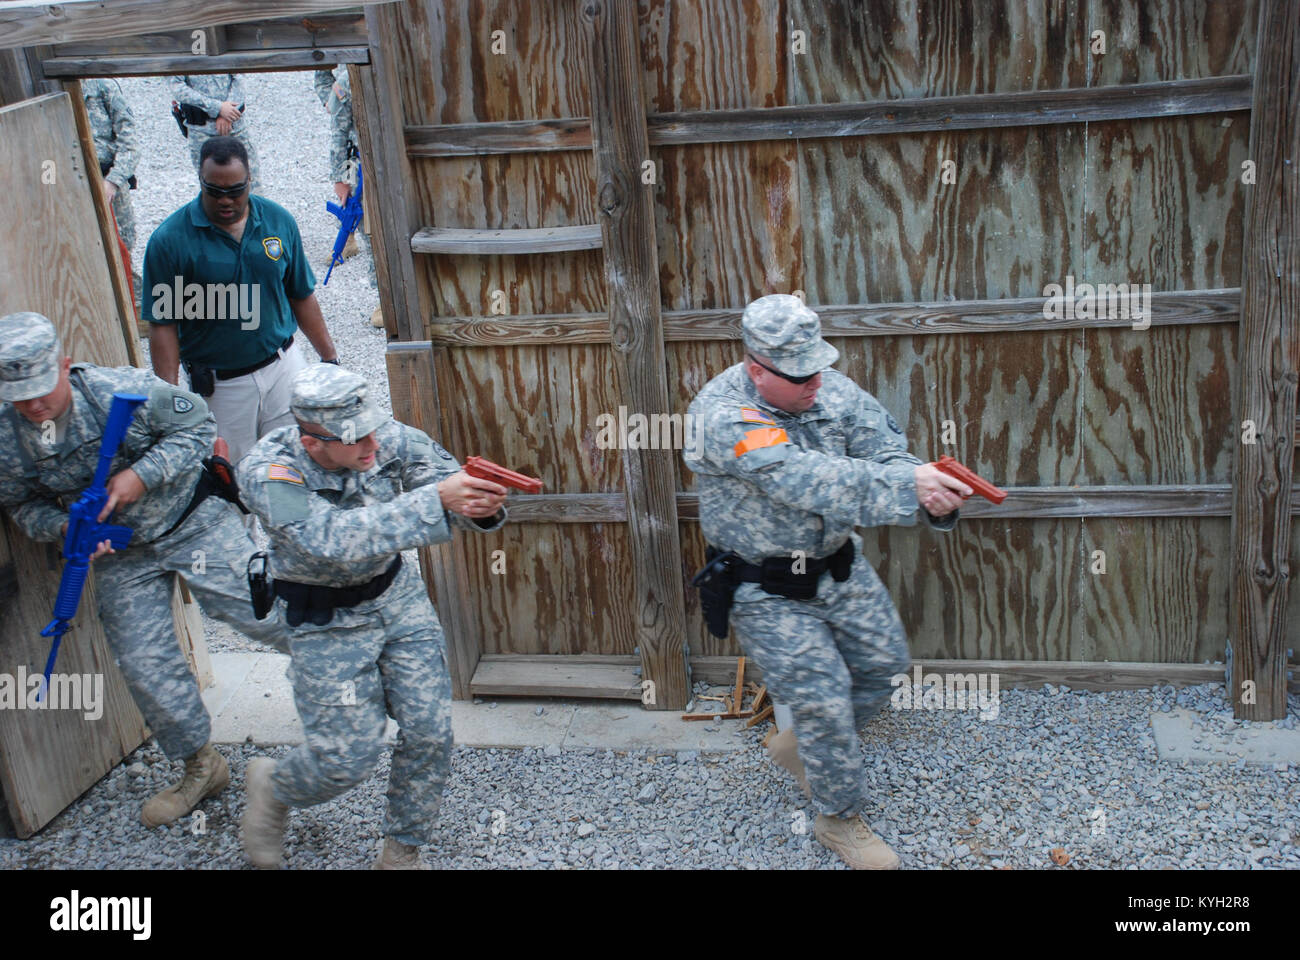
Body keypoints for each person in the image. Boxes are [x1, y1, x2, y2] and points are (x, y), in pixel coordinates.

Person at [683, 294, 970, 870]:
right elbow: (802, 478)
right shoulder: (721, 414)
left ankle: (809, 744)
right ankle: (838, 816)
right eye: (798, 375)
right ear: (757, 370)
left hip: (838, 566)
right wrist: (907, 486)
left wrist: (930, 493)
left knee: (885, 667)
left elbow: (884, 449)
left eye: (818, 366)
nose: (815, 382)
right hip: (765, 588)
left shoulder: (827, 386)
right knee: (821, 695)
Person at [0, 312, 284, 828]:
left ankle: (352, 671)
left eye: (43, 388)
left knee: (264, 611)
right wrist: (64, 529)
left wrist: (139, 476)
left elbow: (199, 426)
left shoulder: (118, 391)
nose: (34, 404)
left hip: (190, 519)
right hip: (123, 554)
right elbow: (19, 505)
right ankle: (202, 764)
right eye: (20, 395)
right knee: (142, 660)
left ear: (65, 366)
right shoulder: (6, 435)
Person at [236, 365, 509, 870]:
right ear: (311, 441)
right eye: (351, 436)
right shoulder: (269, 471)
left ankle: (401, 851)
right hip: (324, 621)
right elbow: (328, 540)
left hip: (397, 602)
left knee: (430, 731)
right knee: (345, 759)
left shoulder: (384, 438)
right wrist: (434, 501)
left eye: (370, 427)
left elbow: (443, 484)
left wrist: (479, 505)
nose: (370, 444)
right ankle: (274, 786)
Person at [142, 136, 339, 466]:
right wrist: (170, 399)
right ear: (200, 182)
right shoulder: (170, 241)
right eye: (214, 191)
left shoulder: (278, 221)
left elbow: (300, 294)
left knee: (300, 469)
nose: (225, 200)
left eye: (234, 190)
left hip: (283, 368)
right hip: (221, 388)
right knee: (233, 484)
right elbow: (163, 326)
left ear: (249, 180)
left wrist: (330, 360)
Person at [321, 66, 382, 328]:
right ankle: (384, 300)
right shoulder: (349, 78)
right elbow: (339, 130)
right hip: (365, 167)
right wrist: (340, 178)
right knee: (372, 234)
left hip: (399, 160)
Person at [82, 77, 142, 318]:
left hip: (109, 179)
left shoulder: (102, 86)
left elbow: (130, 142)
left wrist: (114, 181)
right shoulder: (49, 88)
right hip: (75, 180)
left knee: (123, 245)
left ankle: (136, 308)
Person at [170, 73, 262, 194]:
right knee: (213, 191)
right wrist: (218, 108)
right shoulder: (182, 54)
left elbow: (240, 76)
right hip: (202, 133)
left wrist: (228, 113)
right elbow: (177, 88)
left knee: (251, 187)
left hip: (235, 129)